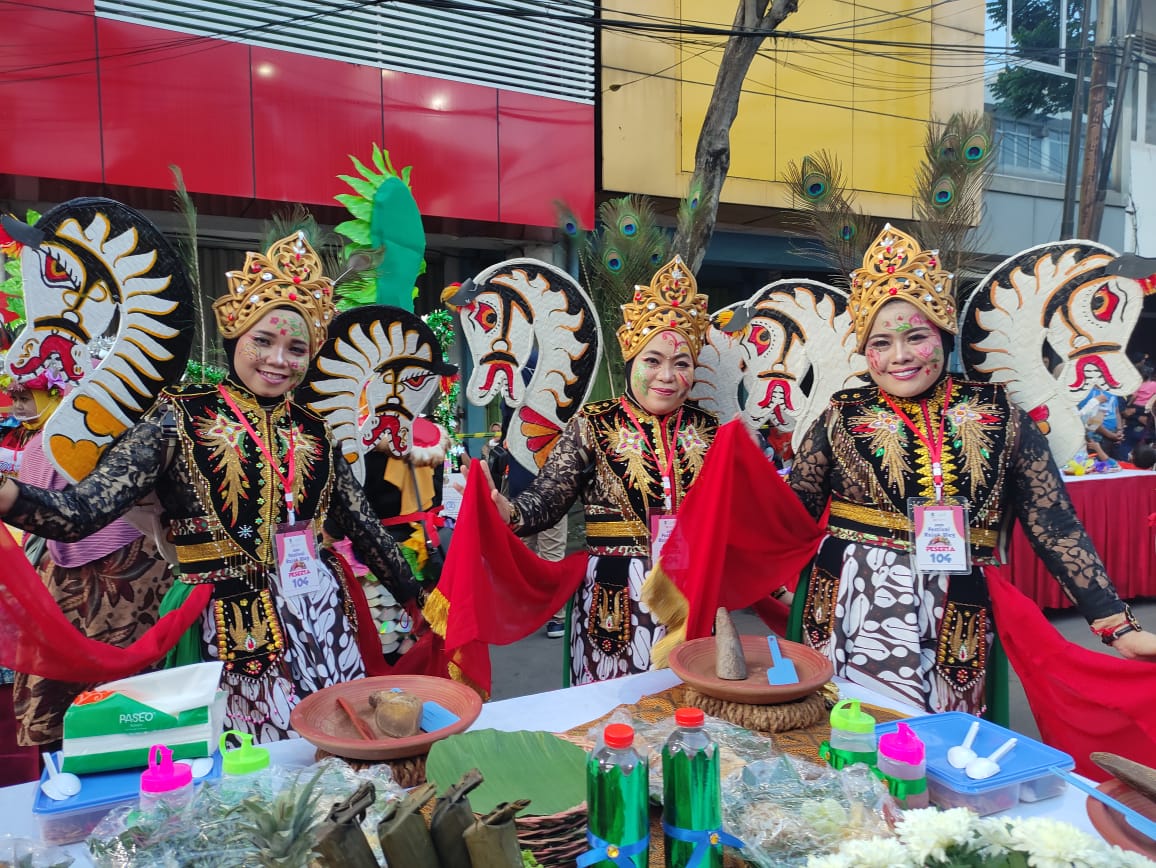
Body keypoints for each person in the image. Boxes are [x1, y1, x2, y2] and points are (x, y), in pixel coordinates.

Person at [0, 232, 422, 741]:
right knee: (246, 771)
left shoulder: (315, 430)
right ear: (234, 335)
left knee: (338, 744)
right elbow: (81, 513)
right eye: (262, 340)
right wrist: (11, 496)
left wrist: (422, 602)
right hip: (225, 622)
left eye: (296, 348)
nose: (278, 360)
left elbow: (363, 526)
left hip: (321, 613)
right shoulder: (178, 420)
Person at [786, 226, 1156, 715]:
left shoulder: (1001, 413)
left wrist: (1115, 623)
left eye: (916, 337)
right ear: (864, 351)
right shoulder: (840, 415)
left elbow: (1054, 523)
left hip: (958, 601)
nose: (899, 357)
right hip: (849, 601)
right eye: (881, 343)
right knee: (855, 742)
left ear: (942, 334)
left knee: (951, 748)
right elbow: (789, 515)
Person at [481, 256, 718, 684]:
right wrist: (511, 513)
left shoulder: (712, 432)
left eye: (681, 363)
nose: (667, 375)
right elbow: (549, 497)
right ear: (631, 362)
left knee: (690, 705)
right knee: (614, 718)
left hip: (691, 589)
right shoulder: (593, 424)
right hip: (615, 594)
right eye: (653, 361)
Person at [8, 371, 176, 750]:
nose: (18, 405)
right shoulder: (43, 443)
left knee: (123, 667)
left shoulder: (65, 440)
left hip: (132, 572)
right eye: (15, 396)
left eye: (25, 395)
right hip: (106, 571)